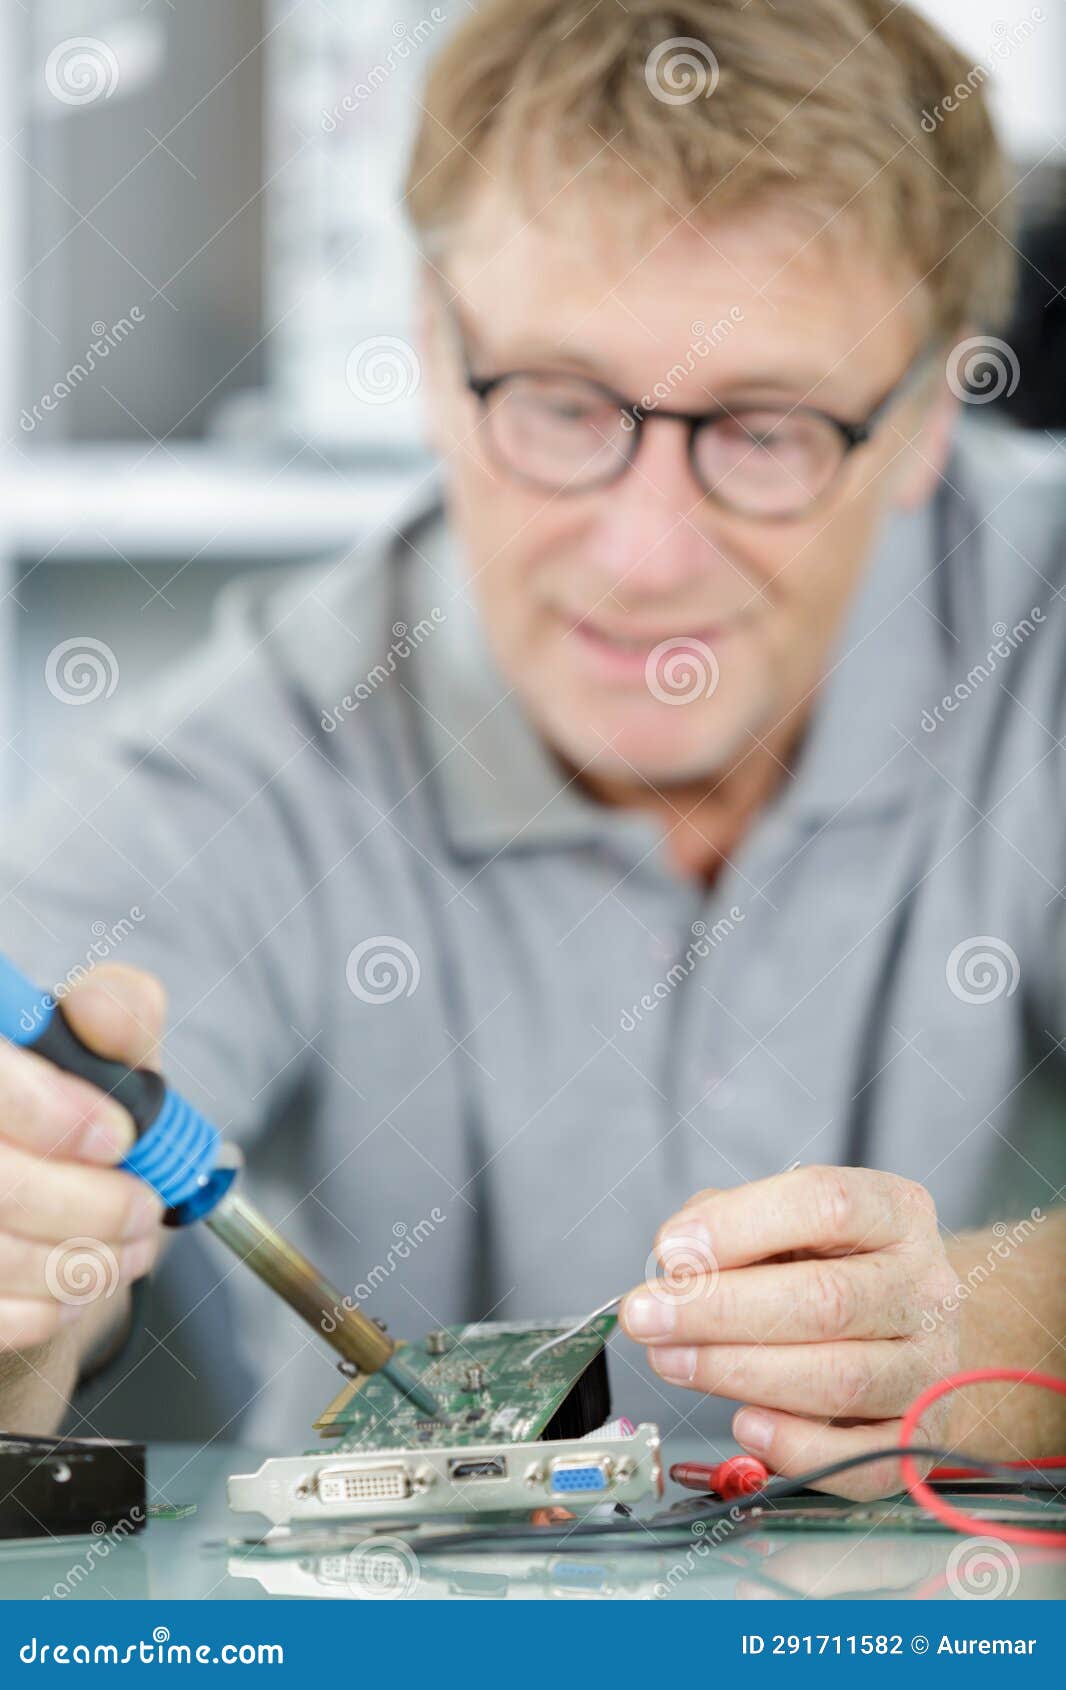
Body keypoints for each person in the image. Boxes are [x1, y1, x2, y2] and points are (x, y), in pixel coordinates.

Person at [1, 0, 1063, 1499]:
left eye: (760, 429)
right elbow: (33, 1198)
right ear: (434, 352)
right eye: (561, 405)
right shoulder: (239, 763)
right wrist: (19, 1304)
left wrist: (1005, 1329)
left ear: (921, 422)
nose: (640, 558)